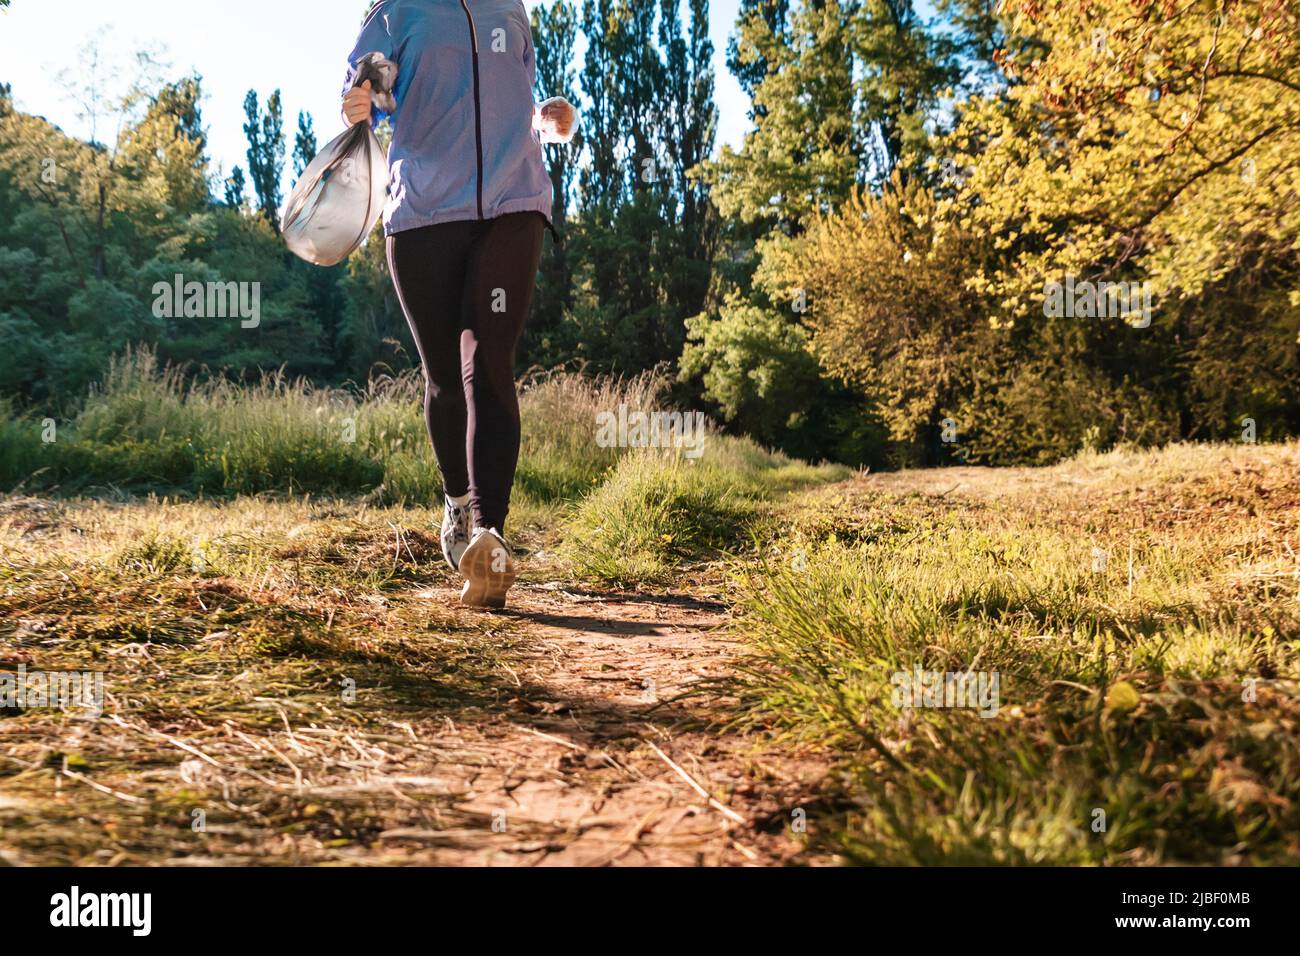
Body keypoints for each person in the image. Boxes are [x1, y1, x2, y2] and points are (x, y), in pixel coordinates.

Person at [341, 0, 575, 608]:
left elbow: (521, 100)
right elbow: (371, 87)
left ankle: (490, 536)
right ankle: (458, 500)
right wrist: (361, 99)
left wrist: (548, 118)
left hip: (513, 201)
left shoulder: (510, 9)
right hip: (423, 212)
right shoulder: (398, 11)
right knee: (444, 375)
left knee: (490, 362)